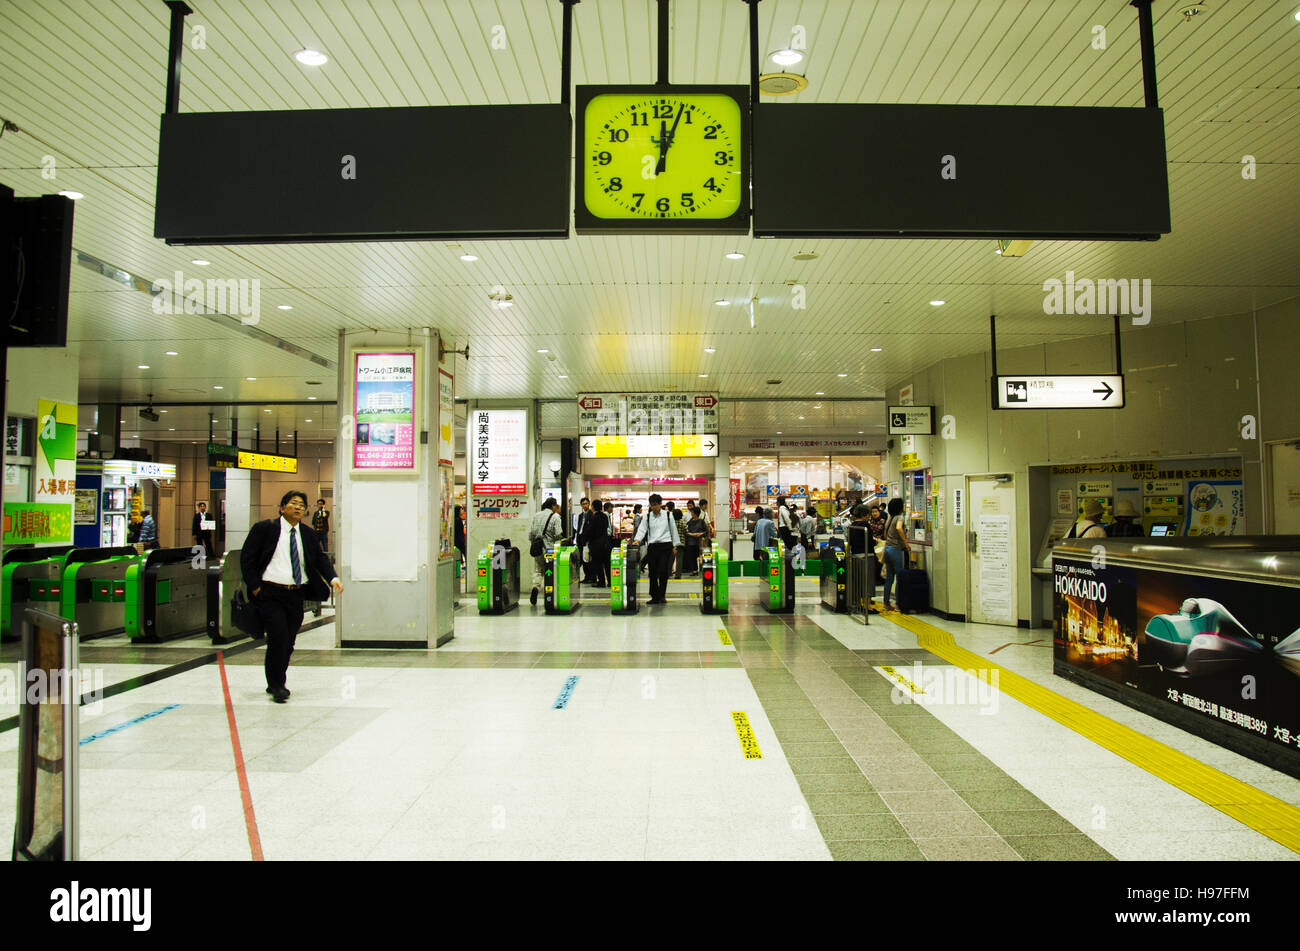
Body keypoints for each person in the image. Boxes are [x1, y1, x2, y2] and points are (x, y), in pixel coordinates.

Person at [241, 490, 342, 703]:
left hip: (296, 594)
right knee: (278, 637)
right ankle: (277, 685)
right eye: (293, 503)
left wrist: (332, 578)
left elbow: (319, 559)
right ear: (282, 507)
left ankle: (275, 680)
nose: (298, 507)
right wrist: (255, 587)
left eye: (302, 505)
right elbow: (247, 558)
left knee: (288, 641)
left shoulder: (307, 534)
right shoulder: (265, 529)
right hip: (270, 593)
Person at [634, 493, 681, 604]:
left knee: (663, 571)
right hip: (653, 547)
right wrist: (637, 540)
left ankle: (662, 595)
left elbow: (673, 530)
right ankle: (655, 596)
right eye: (652, 505)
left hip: (666, 546)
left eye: (656, 504)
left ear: (660, 504)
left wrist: (675, 545)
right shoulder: (647, 516)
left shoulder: (668, 515)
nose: (654, 507)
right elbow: (642, 529)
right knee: (653, 572)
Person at [527, 498, 563, 605]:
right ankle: (550, 594)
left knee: (538, 571)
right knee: (550, 572)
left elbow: (531, 534)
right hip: (550, 550)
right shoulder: (556, 517)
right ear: (553, 506)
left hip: (538, 549)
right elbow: (558, 534)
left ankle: (536, 588)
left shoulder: (536, 515)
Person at [882, 497, 912, 613]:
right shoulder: (899, 517)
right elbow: (899, 528)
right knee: (900, 577)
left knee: (889, 577)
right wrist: (906, 543)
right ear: (900, 507)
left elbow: (885, 534)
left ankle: (886, 604)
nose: (904, 507)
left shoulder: (889, 519)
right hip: (896, 549)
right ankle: (899, 604)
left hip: (888, 548)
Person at [580, 499, 611, 587]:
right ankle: (610, 581)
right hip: (605, 543)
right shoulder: (604, 516)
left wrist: (585, 539)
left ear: (593, 507)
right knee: (607, 564)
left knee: (598, 563)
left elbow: (591, 531)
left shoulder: (593, 517)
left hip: (596, 544)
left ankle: (601, 582)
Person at [573, 497, 592, 582]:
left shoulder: (592, 515)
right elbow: (578, 528)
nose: (585, 505)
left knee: (588, 559)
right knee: (582, 558)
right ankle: (586, 576)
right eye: (583, 504)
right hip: (580, 539)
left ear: (589, 504)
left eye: (586, 503)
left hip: (587, 540)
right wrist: (577, 540)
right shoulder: (580, 516)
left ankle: (590, 577)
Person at [684, 504, 707, 575]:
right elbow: (686, 531)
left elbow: (706, 531)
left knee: (700, 556)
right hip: (691, 542)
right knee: (692, 556)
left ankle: (702, 569)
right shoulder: (690, 522)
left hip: (699, 542)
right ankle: (695, 570)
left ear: (695, 513)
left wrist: (700, 534)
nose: (691, 513)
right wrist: (691, 534)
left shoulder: (701, 521)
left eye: (692, 512)